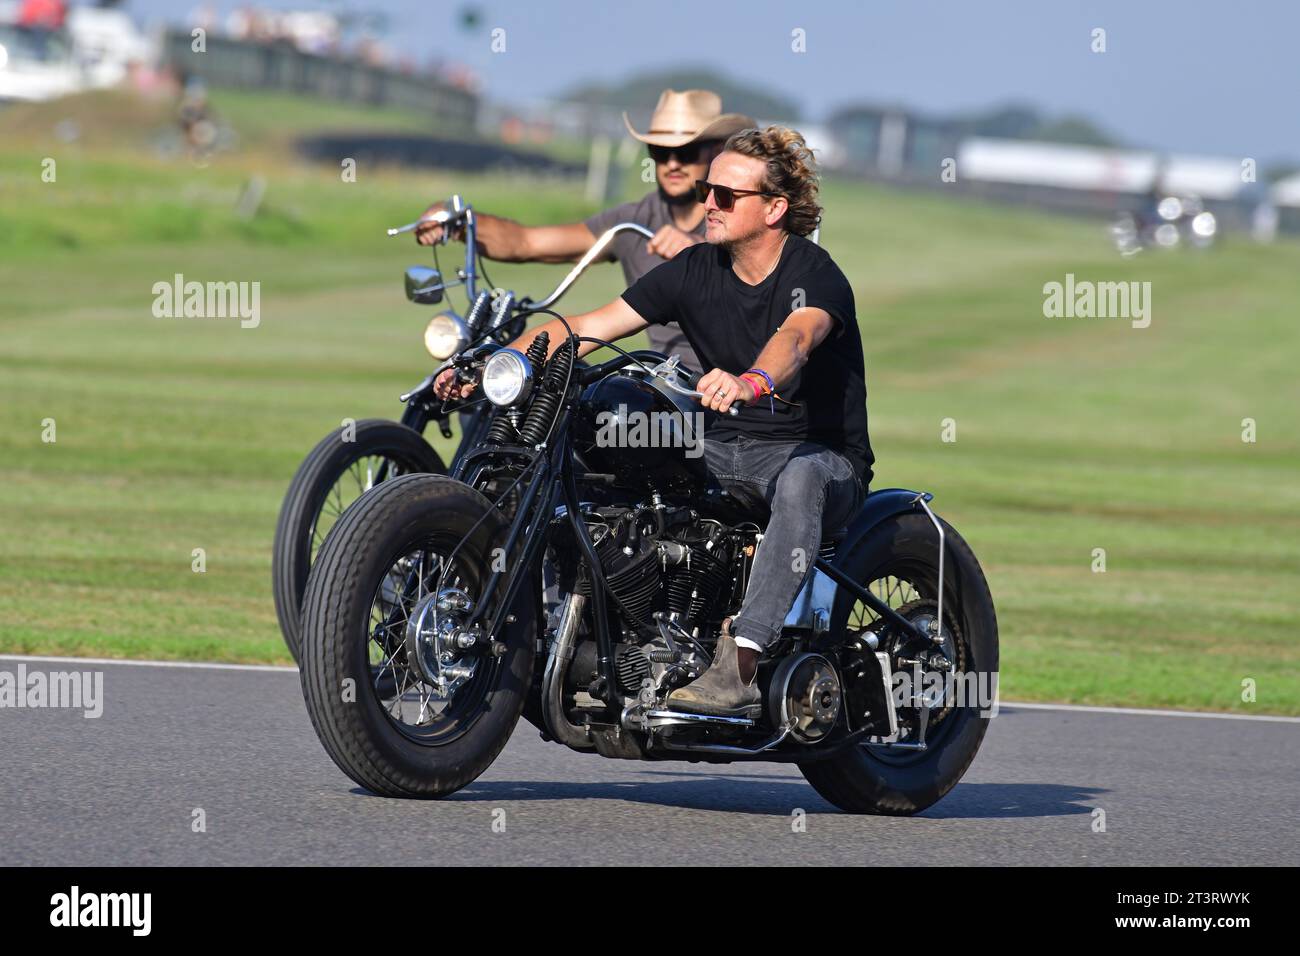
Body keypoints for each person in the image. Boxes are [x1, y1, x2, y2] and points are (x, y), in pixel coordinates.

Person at [437, 126, 873, 718]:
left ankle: (741, 662)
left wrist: (752, 381)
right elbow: (588, 324)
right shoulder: (694, 270)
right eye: (706, 191)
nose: (708, 205)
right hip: (717, 443)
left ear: (774, 209)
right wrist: (499, 362)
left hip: (817, 454)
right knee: (605, 433)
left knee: (801, 480)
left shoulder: (814, 274)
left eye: (726, 196)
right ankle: (607, 623)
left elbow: (796, 340)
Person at [415, 89, 755, 372]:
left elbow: (763, 269)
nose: (672, 163)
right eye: (660, 151)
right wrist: (461, 222)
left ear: (715, 150)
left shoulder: (737, 214)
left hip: (725, 386)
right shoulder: (633, 220)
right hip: (662, 378)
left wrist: (699, 251)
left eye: (686, 150)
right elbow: (526, 242)